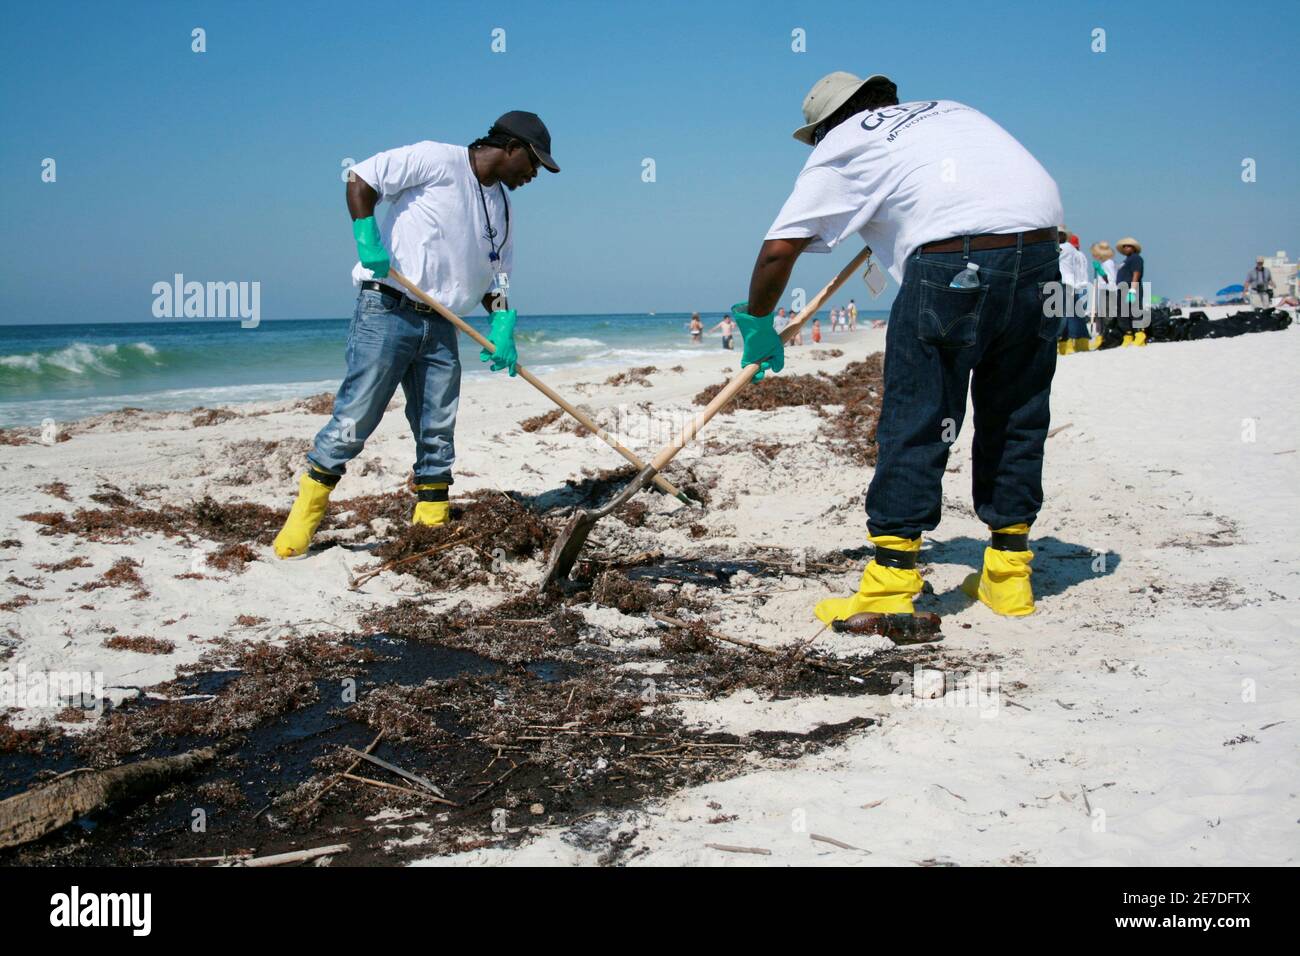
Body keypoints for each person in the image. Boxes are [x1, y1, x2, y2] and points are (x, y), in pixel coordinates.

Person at [731, 71, 1062, 621]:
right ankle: (1009, 577)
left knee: (918, 417)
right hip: (1042, 257)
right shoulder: (949, 110)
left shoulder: (843, 140)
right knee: (1017, 413)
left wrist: (758, 321)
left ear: (825, 127)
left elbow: (777, 250)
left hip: (954, 265)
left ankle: (888, 587)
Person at [272, 112, 560, 558]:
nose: (533, 174)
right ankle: (304, 518)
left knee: (437, 426)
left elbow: (496, 277)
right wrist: (367, 237)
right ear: (512, 148)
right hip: (387, 308)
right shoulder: (435, 159)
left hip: (443, 321)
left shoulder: (502, 205)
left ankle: (431, 519)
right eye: (534, 163)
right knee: (357, 417)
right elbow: (360, 178)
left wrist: (502, 323)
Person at [1056, 225, 1091, 354]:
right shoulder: (1073, 250)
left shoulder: (1062, 249)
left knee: (1063, 315)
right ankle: (1081, 343)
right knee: (1076, 316)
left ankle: (1064, 343)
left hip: (1063, 282)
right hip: (1074, 284)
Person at [1114, 237, 1146, 346]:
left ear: (1134, 248)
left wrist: (1133, 288)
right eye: (1124, 246)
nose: (1126, 248)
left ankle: (1140, 334)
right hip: (1122, 288)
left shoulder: (1136, 258)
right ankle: (1128, 335)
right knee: (1123, 313)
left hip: (1131, 288)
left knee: (1134, 311)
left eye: (1128, 246)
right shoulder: (1125, 260)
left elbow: (1136, 273)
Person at [1089, 240, 1118, 348]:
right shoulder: (1107, 263)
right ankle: (1102, 335)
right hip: (1104, 290)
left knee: (1107, 315)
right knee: (1103, 314)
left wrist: (1101, 272)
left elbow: (1111, 279)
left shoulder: (1108, 263)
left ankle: (1105, 336)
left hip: (1108, 291)